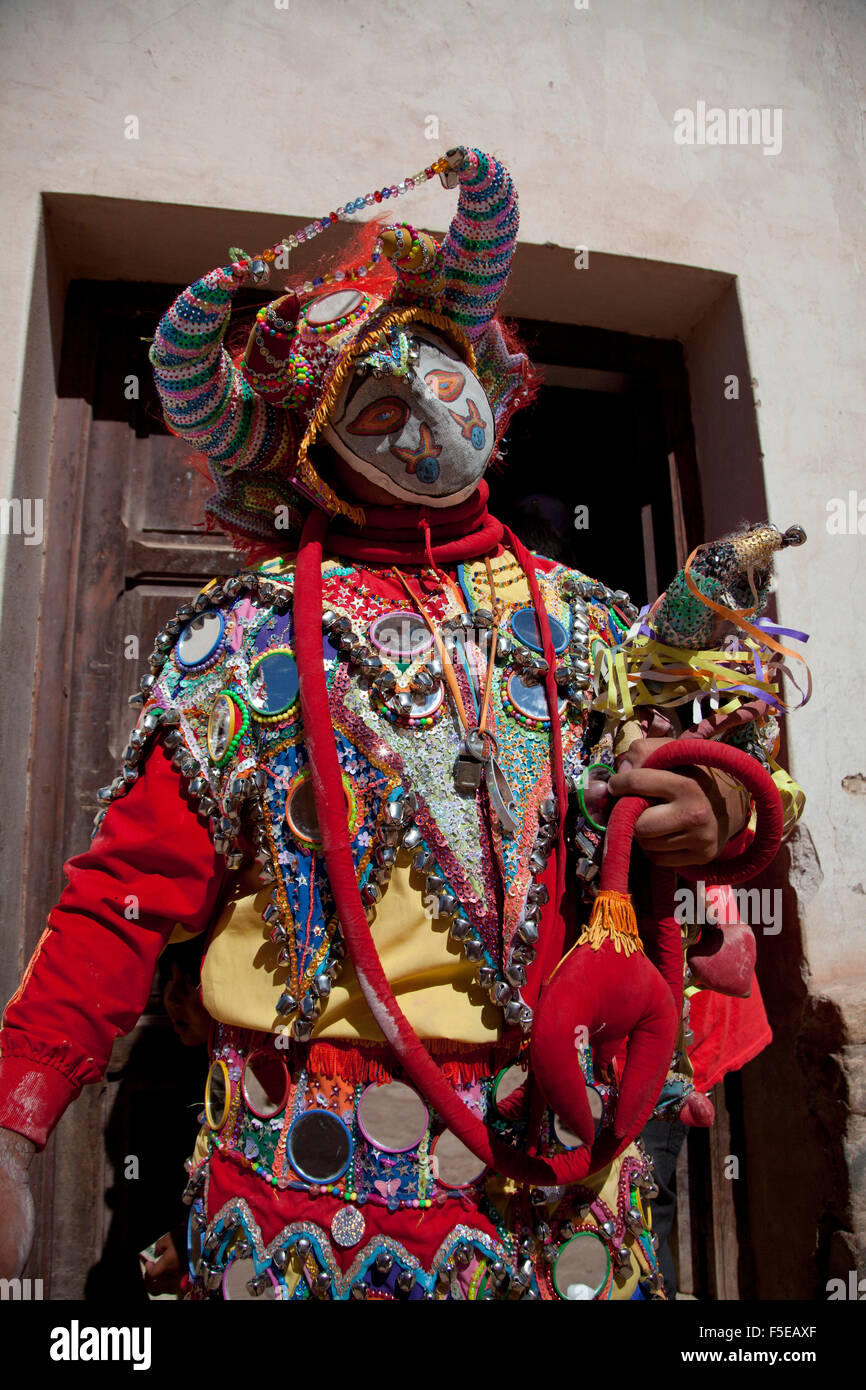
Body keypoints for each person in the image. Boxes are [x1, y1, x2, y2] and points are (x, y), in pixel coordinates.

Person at [0, 145, 807, 1300]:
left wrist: (718, 806)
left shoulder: (590, 621)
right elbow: (122, 894)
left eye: (437, 368)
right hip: (303, 1196)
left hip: (570, 1177)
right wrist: (15, 1116)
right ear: (322, 456)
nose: (429, 410)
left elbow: (731, 785)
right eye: (378, 404)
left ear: (480, 366)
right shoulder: (245, 642)